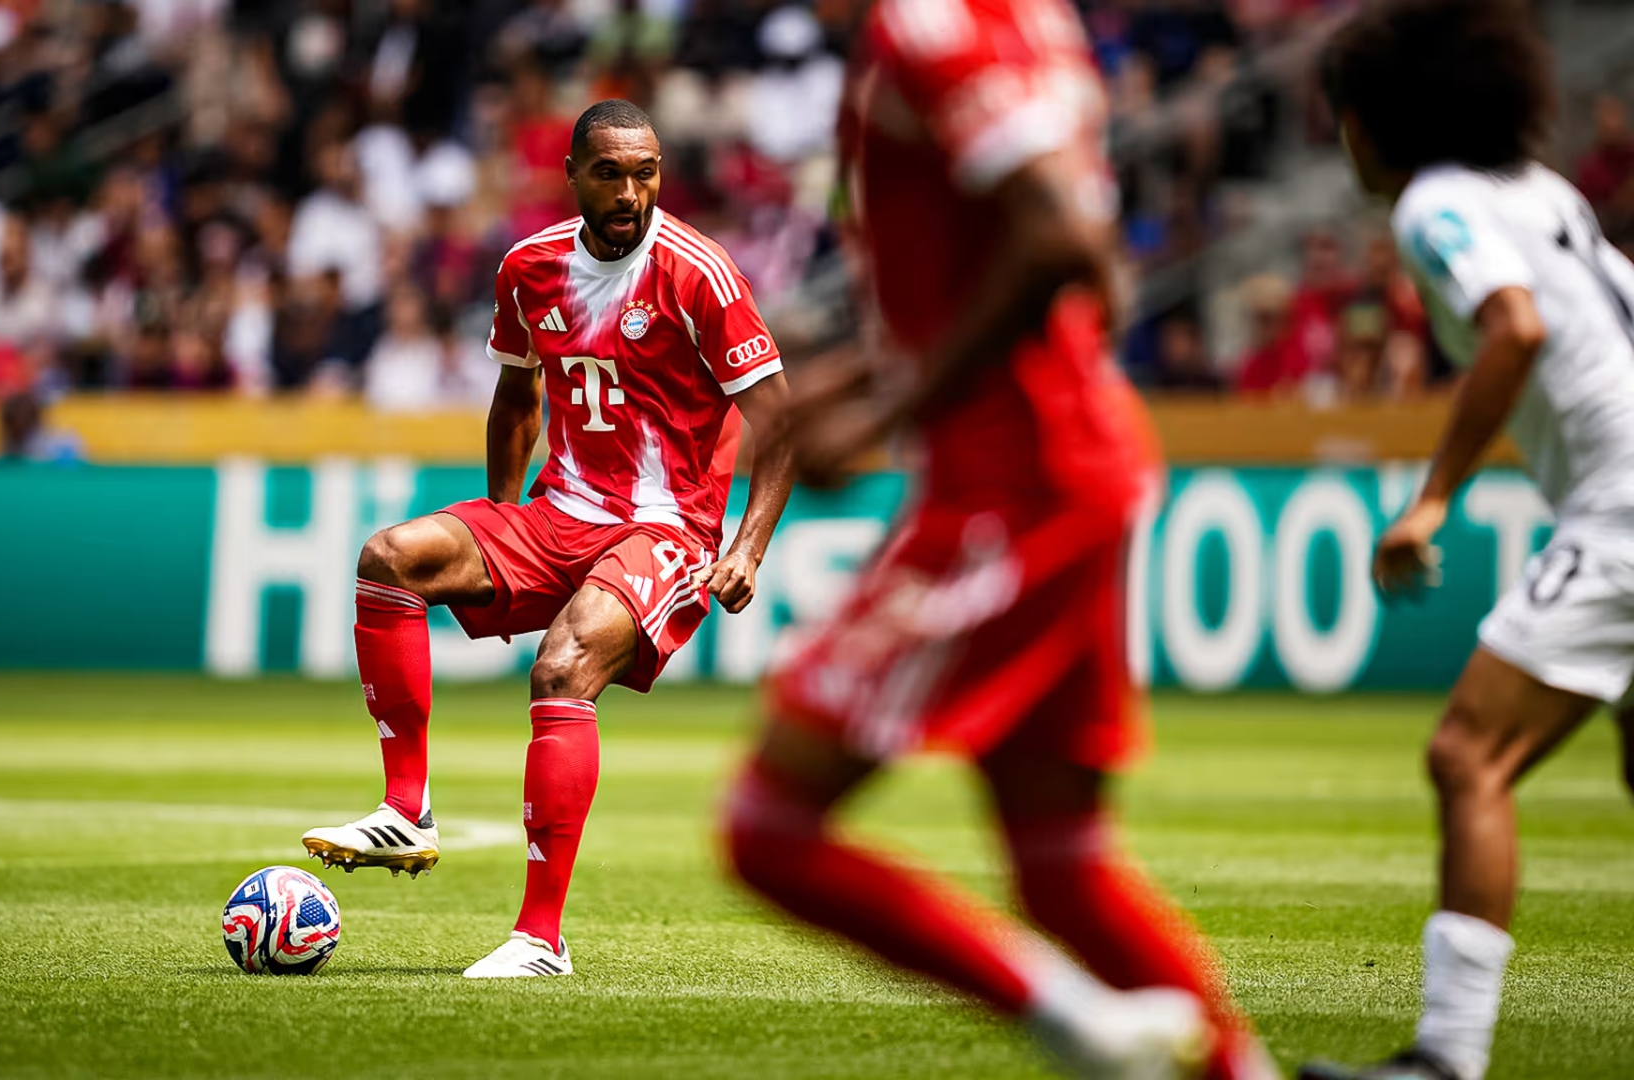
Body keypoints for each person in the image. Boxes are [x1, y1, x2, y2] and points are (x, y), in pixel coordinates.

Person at [722, 2, 1274, 1079]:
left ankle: (1082, 1028)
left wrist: (891, 412)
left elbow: (1061, 242)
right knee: (1061, 866)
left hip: (1011, 491)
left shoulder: (930, 27)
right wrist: (873, 374)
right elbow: (1074, 266)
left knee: (768, 827)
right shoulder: (1030, 18)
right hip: (1075, 461)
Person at [301, 100, 795, 979]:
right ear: (572, 176)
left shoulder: (700, 275)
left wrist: (748, 547)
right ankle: (406, 810)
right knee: (389, 559)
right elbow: (516, 396)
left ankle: (540, 940)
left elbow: (781, 423)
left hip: (667, 527)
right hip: (561, 511)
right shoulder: (529, 267)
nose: (630, 193)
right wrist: (497, 524)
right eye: (610, 174)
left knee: (562, 669)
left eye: (645, 173)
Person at [1301, 3, 1634, 1079]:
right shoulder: (1543, 191)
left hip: (1624, 508)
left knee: (1466, 755)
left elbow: (1516, 324)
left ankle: (1445, 1060)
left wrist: (1434, 497)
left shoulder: (1436, 201)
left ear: (1369, 121)